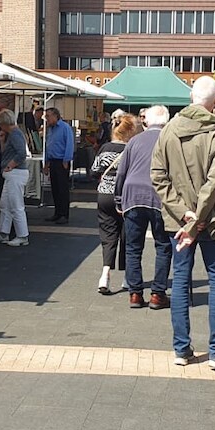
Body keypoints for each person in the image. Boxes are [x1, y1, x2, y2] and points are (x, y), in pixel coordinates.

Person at [152, 76, 215, 371]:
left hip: (178, 222)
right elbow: (214, 182)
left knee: (180, 280)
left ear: (191, 96)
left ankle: (181, 348)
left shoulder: (167, 131)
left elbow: (158, 176)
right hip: (213, 220)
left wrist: (184, 214)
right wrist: (198, 217)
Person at [115, 105, 173, 311]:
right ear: (167, 121)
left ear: (146, 121)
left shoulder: (134, 141)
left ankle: (135, 294)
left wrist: (119, 199)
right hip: (160, 196)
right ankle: (157, 294)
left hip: (133, 195)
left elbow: (121, 172)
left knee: (133, 247)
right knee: (163, 246)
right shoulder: (170, 140)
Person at [89, 113, 137, 296]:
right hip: (125, 196)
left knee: (108, 236)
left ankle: (105, 275)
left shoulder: (104, 148)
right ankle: (127, 277)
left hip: (105, 195)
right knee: (127, 236)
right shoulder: (132, 149)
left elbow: (93, 171)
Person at [0, 110, 30, 247]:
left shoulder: (15, 134)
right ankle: (4, 233)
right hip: (13, 174)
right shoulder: (13, 134)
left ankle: (22, 236)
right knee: (5, 204)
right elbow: (10, 152)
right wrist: (1, 141)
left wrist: (10, 166)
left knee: (16, 206)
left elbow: (21, 154)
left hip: (15, 174)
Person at [44, 107, 74, 225]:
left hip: (62, 161)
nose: (47, 119)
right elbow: (48, 145)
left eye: (48, 116)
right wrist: (46, 163)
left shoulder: (65, 128)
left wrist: (66, 160)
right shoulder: (50, 129)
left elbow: (69, 144)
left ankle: (64, 214)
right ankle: (57, 212)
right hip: (53, 160)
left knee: (62, 189)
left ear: (56, 116)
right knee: (55, 188)